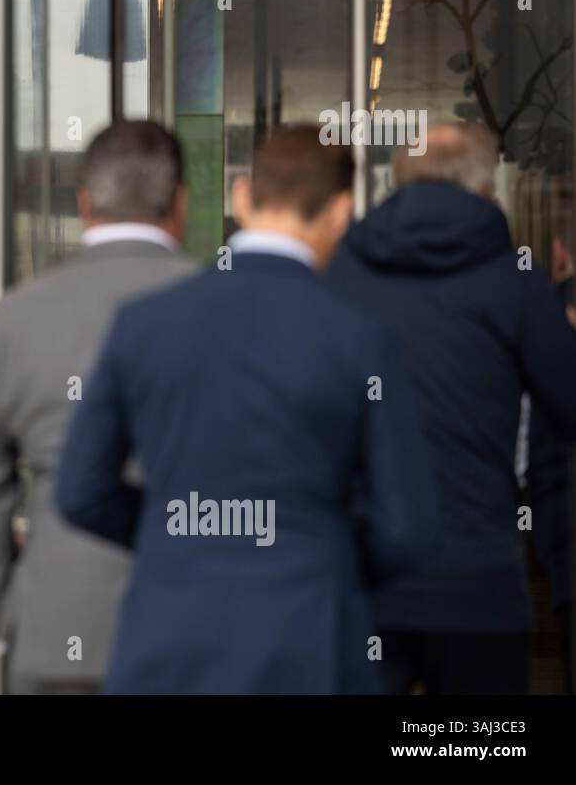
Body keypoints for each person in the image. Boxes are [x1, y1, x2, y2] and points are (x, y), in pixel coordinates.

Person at [57, 125, 440, 694]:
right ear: (340, 212)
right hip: (311, 638)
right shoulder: (359, 339)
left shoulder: (143, 324)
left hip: (167, 641)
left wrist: (177, 531)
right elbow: (408, 529)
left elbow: (79, 491)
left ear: (242, 197)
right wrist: (322, 548)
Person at [325, 122, 576, 694]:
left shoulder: (341, 276)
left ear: (395, 181)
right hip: (477, 582)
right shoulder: (515, 283)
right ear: (487, 188)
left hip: (365, 576)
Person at [0, 120, 197, 693]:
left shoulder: (13, 319)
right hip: (194, 628)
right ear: (179, 202)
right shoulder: (226, 310)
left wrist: (1, 614)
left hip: (55, 626)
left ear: (85, 203)